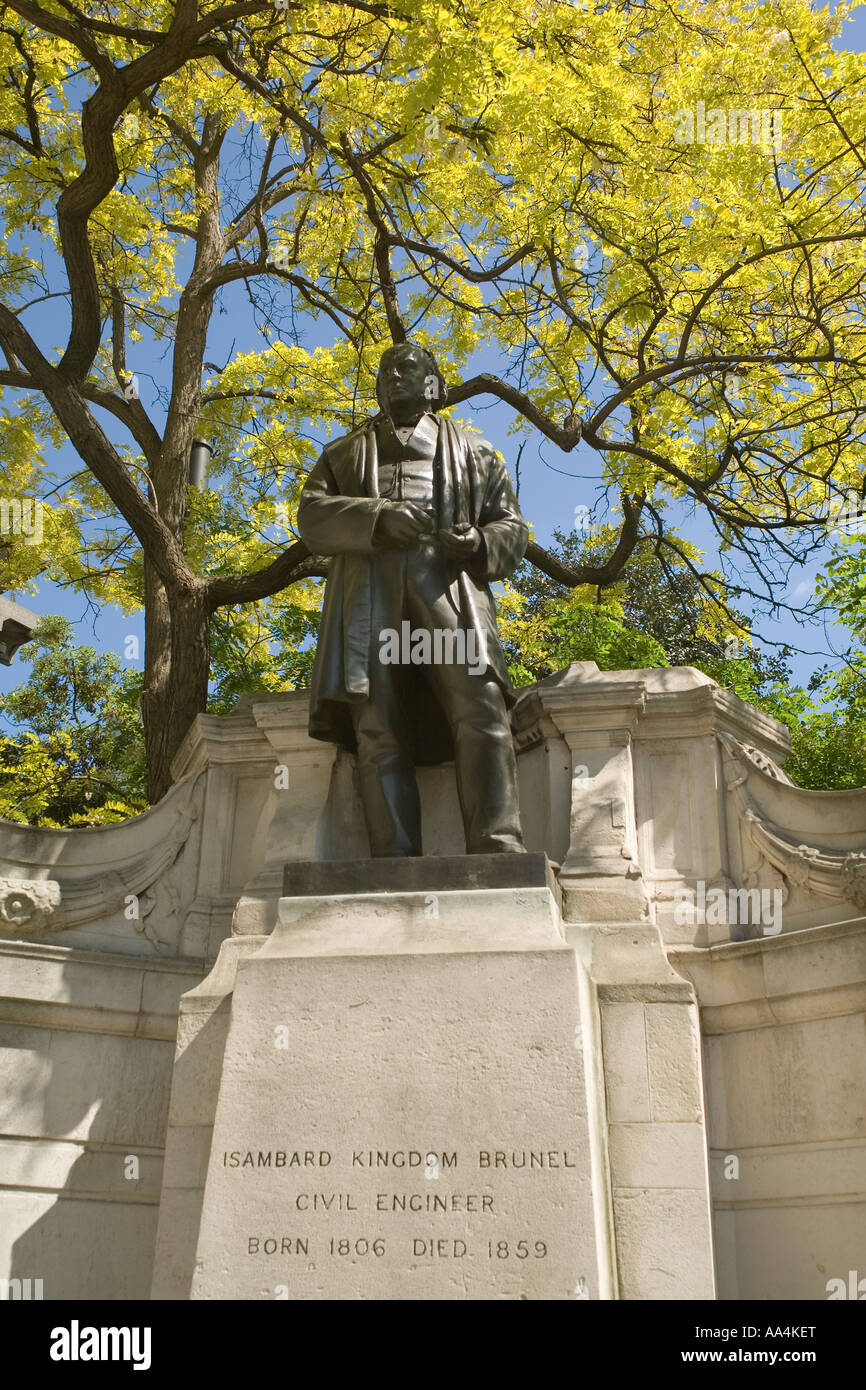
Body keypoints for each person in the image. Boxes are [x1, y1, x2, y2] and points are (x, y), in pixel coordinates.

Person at [297, 341, 528, 857]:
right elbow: (311, 516)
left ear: (434, 385)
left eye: (408, 366)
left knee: (480, 704)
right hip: (367, 591)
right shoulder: (341, 455)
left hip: (445, 582)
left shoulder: (478, 456)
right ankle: (394, 859)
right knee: (375, 724)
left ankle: (498, 847)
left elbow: (513, 529)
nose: (393, 374)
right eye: (384, 369)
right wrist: (376, 517)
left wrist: (479, 543)